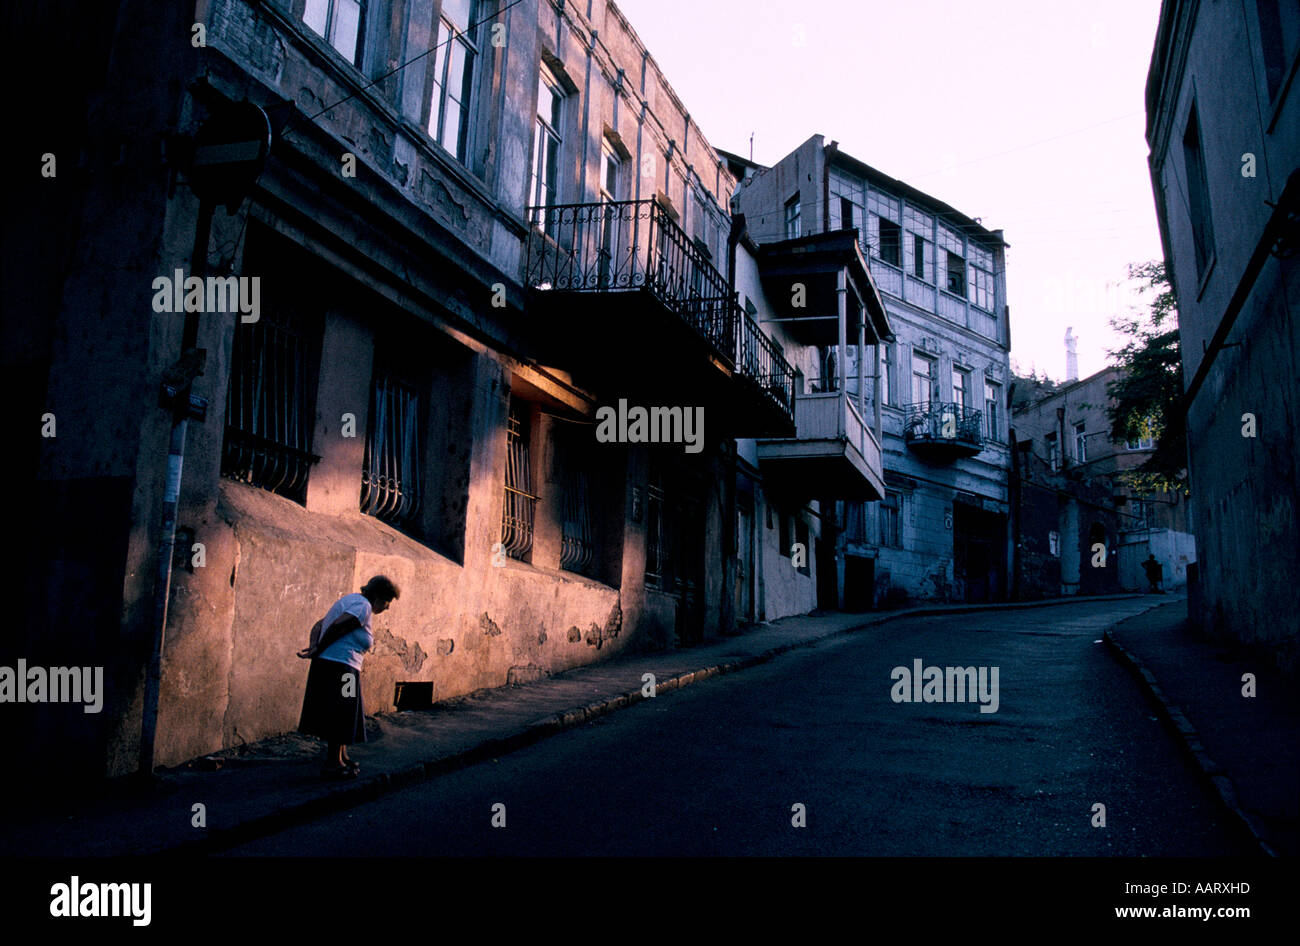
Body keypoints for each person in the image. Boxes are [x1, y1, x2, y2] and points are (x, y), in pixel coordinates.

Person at [297, 575, 400, 778]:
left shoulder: (352, 600)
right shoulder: (363, 607)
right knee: (343, 711)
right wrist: (318, 648)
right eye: (387, 602)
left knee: (344, 710)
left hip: (338, 666)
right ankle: (332, 764)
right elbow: (337, 626)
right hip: (342, 669)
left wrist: (315, 647)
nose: (387, 607)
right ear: (378, 596)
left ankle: (341, 757)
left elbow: (320, 624)